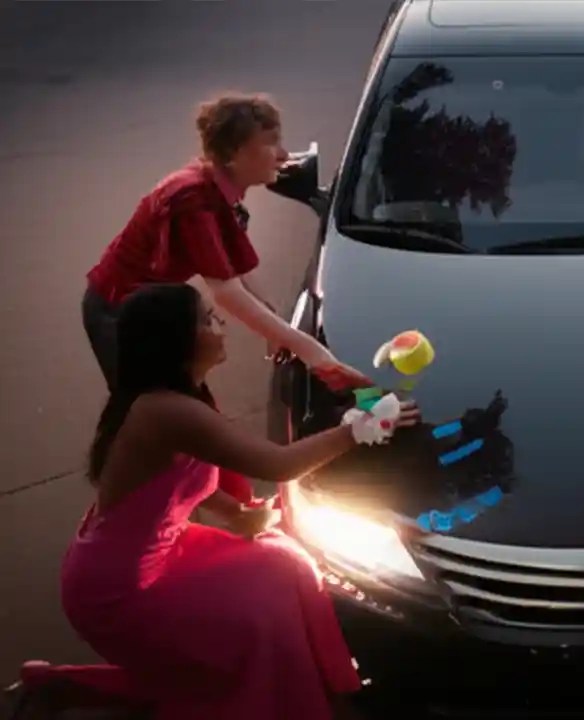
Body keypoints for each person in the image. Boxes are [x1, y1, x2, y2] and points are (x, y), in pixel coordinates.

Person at [61, 283, 420, 719]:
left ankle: (306, 689)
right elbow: (277, 465)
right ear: (177, 339)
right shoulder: (168, 410)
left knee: (284, 565)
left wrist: (237, 515)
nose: (222, 326)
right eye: (209, 320)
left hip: (155, 554)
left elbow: (178, 481)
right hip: (120, 590)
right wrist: (361, 427)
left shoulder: (177, 400)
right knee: (263, 620)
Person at [83, 93, 369, 395]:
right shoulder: (193, 199)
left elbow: (238, 268)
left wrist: (277, 328)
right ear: (234, 152)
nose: (284, 155)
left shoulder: (215, 188)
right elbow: (227, 291)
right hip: (120, 315)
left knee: (188, 412)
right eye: (270, 143)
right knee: (147, 414)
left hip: (156, 313)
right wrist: (312, 352)